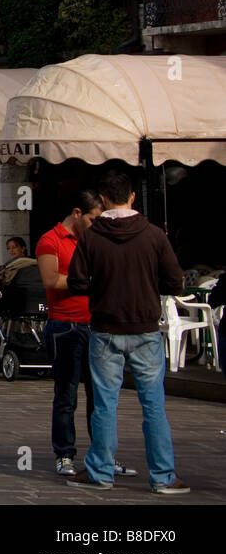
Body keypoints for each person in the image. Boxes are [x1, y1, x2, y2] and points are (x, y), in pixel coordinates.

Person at [66, 171, 189, 494]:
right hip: (145, 326)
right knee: (153, 404)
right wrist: (150, 287)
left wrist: (101, 287)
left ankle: (101, 471)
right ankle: (163, 476)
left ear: (103, 199)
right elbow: (175, 282)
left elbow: (77, 282)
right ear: (132, 197)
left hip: (105, 326)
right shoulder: (153, 235)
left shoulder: (92, 237)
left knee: (105, 403)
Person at [37, 191, 117, 477]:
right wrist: (88, 283)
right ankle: (64, 454)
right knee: (66, 394)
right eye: (93, 219)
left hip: (97, 324)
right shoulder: (51, 240)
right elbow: (50, 279)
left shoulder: (95, 240)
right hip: (65, 325)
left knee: (100, 395)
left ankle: (102, 456)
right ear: (76, 213)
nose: (97, 225)